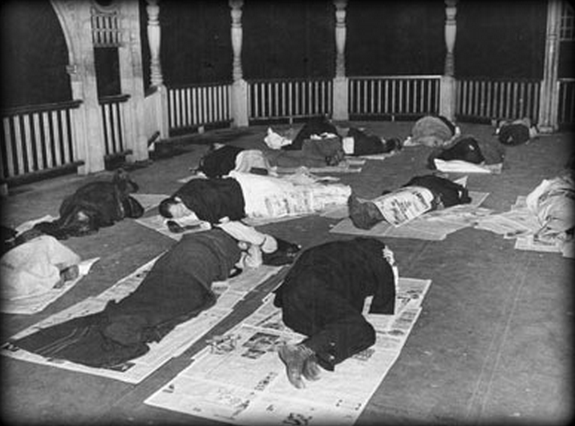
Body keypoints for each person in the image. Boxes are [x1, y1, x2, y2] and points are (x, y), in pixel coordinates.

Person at [10, 228, 296, 368]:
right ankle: (123, 324)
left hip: (179, 261)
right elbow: (255, 258)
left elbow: (250, 262)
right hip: (191, 265)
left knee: (155, 295)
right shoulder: (233, 235)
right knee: (177, 299)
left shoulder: (222, 239)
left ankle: (123, 320)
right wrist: (255, 243)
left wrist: (247, 249)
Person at [272, 237, 397, 389]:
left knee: (335, 329)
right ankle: (302, 351)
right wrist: (387, 266)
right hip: (318, 291)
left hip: (293, 312)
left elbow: (279, 298)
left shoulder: (331, 250)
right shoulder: (378, 257)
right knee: (362, 331)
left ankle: (314, 351)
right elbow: (382, 309)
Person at [158, 171, 352, 225]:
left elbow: (207, 205)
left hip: (247, 187)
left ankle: (340, 191)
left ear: (178, 200)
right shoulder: (187, 207)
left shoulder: (191, 193)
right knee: (298, 202)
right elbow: (196, 215)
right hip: (249, 204)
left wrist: (216, 219)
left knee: (289, 188)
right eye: (180, 214)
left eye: (181, 209)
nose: (185, 212)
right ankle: (338, 196)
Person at [28, 169, 144, 240]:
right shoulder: (108, 193)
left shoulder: (119, 196)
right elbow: (108, 216)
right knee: (78, 223)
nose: (127, 194)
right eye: (127, 191)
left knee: (77, 222)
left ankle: (61, 226)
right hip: (78, 206)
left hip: (77, 205)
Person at [348, 174, 471, 229]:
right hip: (426, 195)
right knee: (396, 200)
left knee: (396, 200)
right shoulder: (441, 184)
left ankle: (372, 213)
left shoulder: (433, 181)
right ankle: (372, 213)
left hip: (428, 196)